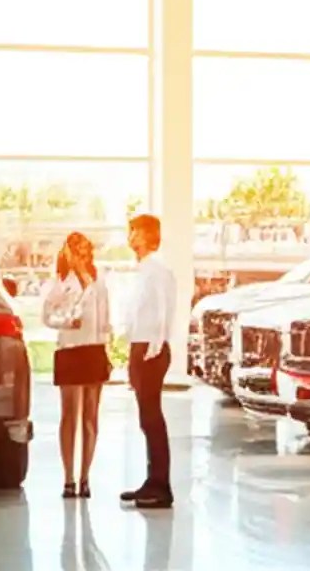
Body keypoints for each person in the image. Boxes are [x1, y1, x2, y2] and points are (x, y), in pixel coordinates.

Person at [42, 232, 112, 499]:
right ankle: (68, 478)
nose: (80, 256)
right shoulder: (59, 282)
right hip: (70, 350)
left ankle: (85, 478)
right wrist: (65, 323)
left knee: (91, 416)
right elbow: (47, 315)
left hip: (94, 350)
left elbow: (106, 318)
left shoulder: (99, 280)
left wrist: (106, 348)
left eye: (84, 251)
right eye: (75, 251)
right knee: (69, 415)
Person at [120, 214, 177, 509]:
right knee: (146, 417)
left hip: (150, 349)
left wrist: (157, 343)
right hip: (139, 346)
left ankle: (160, 486)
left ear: (148, 235)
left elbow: (166, 309)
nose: (131, 237)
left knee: (152, 417)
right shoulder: (141, 271)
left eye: (135, 232)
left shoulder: (158, 269)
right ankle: (152, 481)